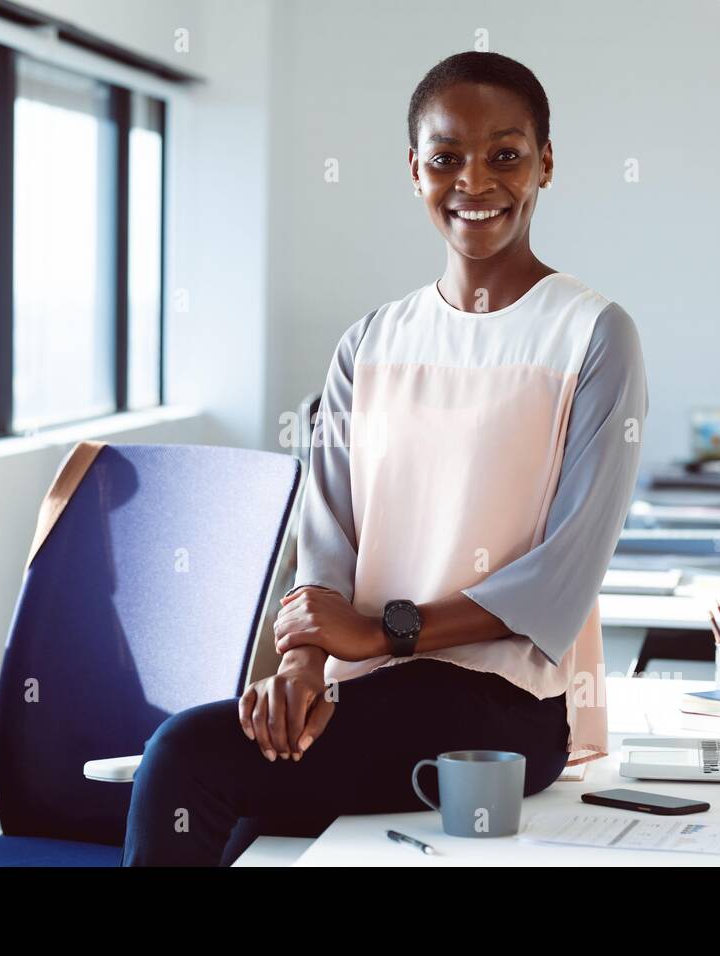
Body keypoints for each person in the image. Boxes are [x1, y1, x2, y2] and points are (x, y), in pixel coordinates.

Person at [122, 50, 648, 866]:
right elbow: (324, 537)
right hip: (370, 684)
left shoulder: (592, 335)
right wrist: (299, 665)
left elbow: (561, 578)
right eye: (446, 159)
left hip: (504, 706)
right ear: (414, 170)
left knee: (186, 761)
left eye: (505, 155)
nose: (474, 182)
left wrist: (385, 633)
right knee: (249, 818)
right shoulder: (368, 342)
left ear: (546, 162)